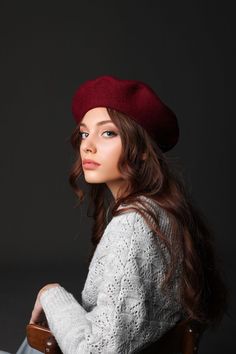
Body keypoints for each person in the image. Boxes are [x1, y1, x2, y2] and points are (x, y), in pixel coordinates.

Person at [3, 75, 227, 354]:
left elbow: (97, 351)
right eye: (85, 133)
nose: (88, 145)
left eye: (108, 132)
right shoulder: (164, 212)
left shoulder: (133, 226)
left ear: (143, 150)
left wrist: (51, 294)